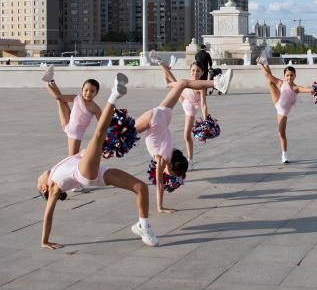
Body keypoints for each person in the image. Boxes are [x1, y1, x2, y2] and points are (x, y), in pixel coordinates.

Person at [37, 73, 161, 248]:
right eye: (38, 181)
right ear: (44, 188)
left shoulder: (57, 167)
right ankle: (114, 94)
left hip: (98, 172)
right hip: (84, 173)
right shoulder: (54, 186)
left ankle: (143, 225)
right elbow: (48, 215)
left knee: (141, 187)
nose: (40, 175)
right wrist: (45, 241)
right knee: (98, 135)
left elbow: (61, 101)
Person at [135, 70, 232, 213]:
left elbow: (169, 173)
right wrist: (160, 207)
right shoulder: (162, 159)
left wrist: (177, 173)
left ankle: (216, 83)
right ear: (170, 166)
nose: (167, 174)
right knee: (122, 134)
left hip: (165, 116)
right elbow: (160, 185)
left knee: (182, 83)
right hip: (154, 120)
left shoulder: (172, 152)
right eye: (171, 173)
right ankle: (217, 83)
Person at [257, 55, 314, 163]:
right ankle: (264, 62)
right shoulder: (281, 82)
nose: (289, 77)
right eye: (287, 75)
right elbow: (268, 75)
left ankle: (284, 155)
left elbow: (307, 89)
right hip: (277, 101)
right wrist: (259, 65)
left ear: (295, 76)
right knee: (270, 80)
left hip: (282, 112)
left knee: (281, 133)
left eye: (291, 75)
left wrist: (316, 91)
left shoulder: (296, 88)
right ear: (284, 76)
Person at [156, 57, 208, 165]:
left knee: (186, 136)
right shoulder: (187, 81)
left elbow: (203, 104)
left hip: (190, 108)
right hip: (185, 98)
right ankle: (162, 65)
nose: (195, 73)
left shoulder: (201, 86)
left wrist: (205, 119)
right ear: (190, 71)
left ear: (202, 72)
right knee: (170, 83)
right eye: (193, 70)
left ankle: (190, 159)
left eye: (198, 71)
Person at [42, 66, 102, 157]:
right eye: (86, 90)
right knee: (59, 99)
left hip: (76, 134)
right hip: (68, 123)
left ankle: (78, 162)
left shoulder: (95, 107)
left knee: (71, 158)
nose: (88, 93)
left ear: (96, 93)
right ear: (82, 90)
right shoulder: (77, 97)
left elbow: (103, 122)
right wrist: (48, 87)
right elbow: (59, 97)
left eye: (92, 91)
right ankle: (49, 82)